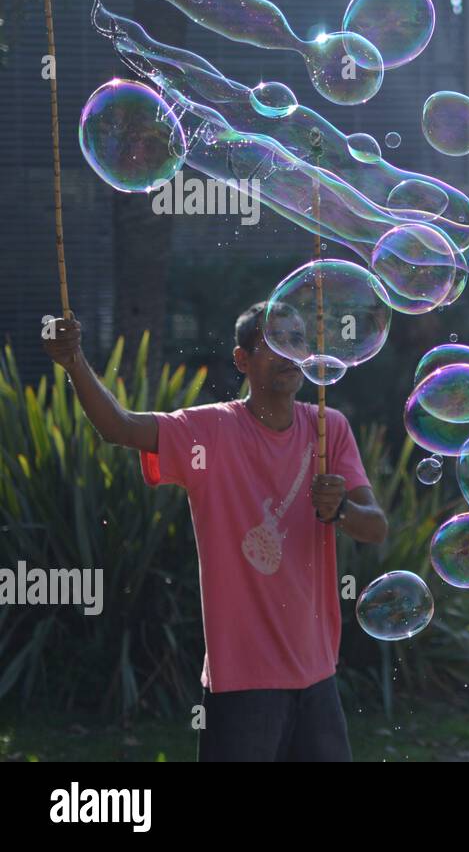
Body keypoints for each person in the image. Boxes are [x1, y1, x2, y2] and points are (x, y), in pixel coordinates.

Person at [42, 303, 388, 762]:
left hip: (318, 677)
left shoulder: (328, 429)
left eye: (297, 340)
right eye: (273, 342)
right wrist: (73, 362)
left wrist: (341, 509)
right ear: (242, 360)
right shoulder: (210, 430)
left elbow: (375, 527)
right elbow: (118, 427)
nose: (289, 352)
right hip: (243, 681)